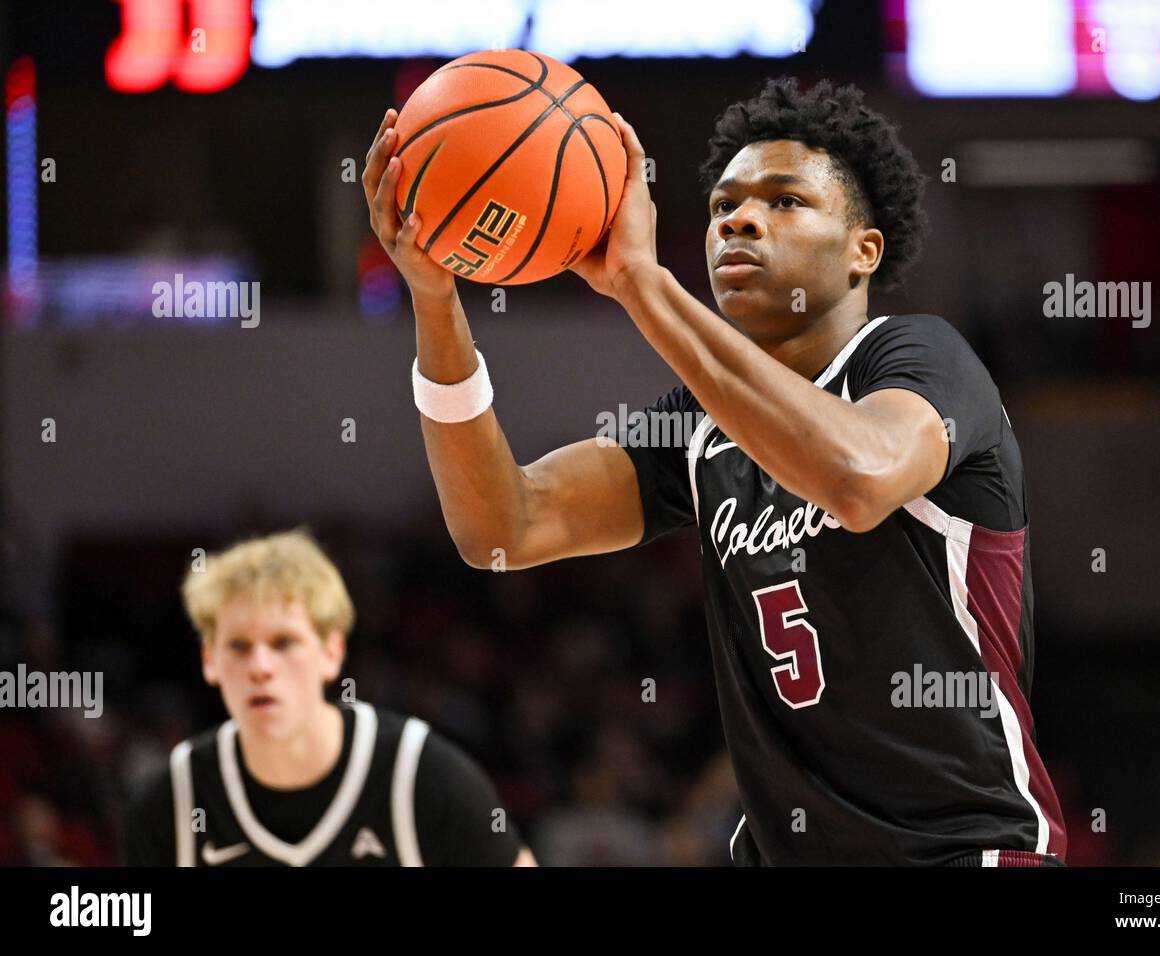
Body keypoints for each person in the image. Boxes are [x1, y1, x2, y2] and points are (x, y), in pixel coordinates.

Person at [362, 76, 1066, 866]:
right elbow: (504, 527)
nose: (739, 218)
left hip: (961, 851)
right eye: (723, 205)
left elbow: (858, 478)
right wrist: (435, 304)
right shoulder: (701, 425)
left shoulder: (919, 358)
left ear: (863, 251)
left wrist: (641, 283)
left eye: (786, 200)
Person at [122, 529, 535, 867]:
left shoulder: (422, 775)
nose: (260, 667)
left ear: (332, 653)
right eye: (239, 646)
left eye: (283, 642)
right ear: (209, 661)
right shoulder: (170, 803)